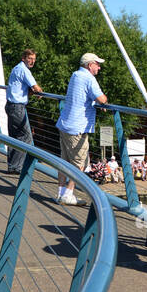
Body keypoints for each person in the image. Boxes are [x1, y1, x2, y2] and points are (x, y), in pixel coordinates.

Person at [55, 53, 107, 204]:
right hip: (77, 127)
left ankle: (60, 193)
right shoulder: (89, 78)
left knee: (64, 160)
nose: (99, 67)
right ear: (90, 65)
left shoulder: (75, 75)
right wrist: (102, 103)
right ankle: (68, 194)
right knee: (80, 162)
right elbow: (101, 98)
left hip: (65, 123)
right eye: (97, 64)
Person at [3, 47, 43, 173]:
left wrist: (30, 92)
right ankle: (16, 167)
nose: (32, 61)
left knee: (14, 137)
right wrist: (39, 91)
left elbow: (22, 89)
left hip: (11, 105)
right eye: (30, 59)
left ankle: (12, 165)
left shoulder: (17, 68)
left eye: (34, 59)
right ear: (24, 58)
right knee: (26, 136)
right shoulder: (24, 70)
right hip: (17, 107)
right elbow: (36, 88)